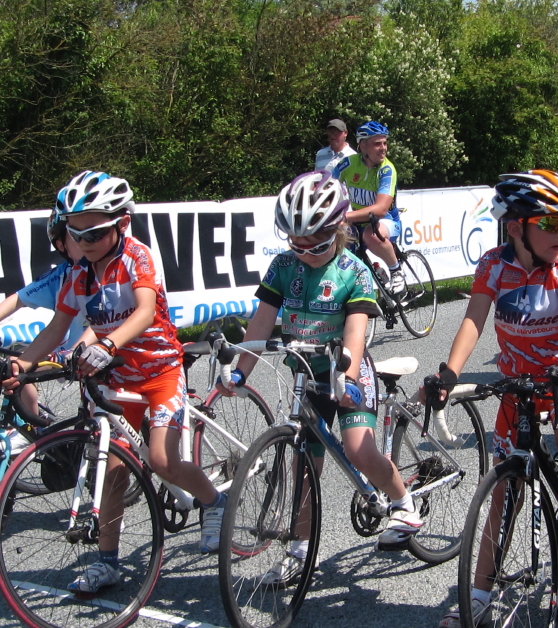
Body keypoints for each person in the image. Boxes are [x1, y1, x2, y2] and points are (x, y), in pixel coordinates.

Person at [1, 171, 225, 593]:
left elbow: (143, 312)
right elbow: (55, 328)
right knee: (113, 470)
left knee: (161, 460)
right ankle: (107, 562)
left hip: (158, 373)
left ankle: (214, 501)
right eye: (76, 235)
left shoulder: (137, 255)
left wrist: (107, 342)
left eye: (95, 234)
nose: (85, 244)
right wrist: (23, 365)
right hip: (117, 380)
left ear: (122, 223)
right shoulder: (75, 274)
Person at [429, 170, 558, 628]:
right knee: (503, 493)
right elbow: (474, 320)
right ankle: (477, 600)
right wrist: (449, 372)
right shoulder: (494, 266)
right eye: (552, 224)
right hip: (517, 387)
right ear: (517, 226)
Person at [216, 170, 422, 586]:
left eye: (315, 243)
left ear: (340, 228)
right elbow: (260, 327)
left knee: (359, 450)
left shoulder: (354, 271)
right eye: (296, 242)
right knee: (303, 465)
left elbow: (355, 333)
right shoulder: (282, 267)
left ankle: (403, 501)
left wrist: (346, 376)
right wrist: (239, 371)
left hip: (346, 372)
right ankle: (298, 549)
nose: (304, 251)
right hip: (304, 378)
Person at [0, 210, 89, 451]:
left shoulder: (108, 272)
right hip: (67, 352)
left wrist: (72, 351)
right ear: (61, 245)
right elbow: (17, 299)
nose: (86, 240)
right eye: (76, 236)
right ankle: (35, 426)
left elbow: (104, 325)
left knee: (96, 419)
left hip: (95, 353)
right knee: (15, 363)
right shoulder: (64, 275)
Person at [332, 120, 406, 294]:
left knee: (370, 234)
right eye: (377, 144)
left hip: (386, 220)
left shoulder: (386, 169)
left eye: (385, 143)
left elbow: (381, 209)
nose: (383, 148)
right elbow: (326, 185)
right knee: (338, 240)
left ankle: (396, 271)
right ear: (363, 146)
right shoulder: (349, 164)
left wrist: (345, 217)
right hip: (358, 220)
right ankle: (372, 269)